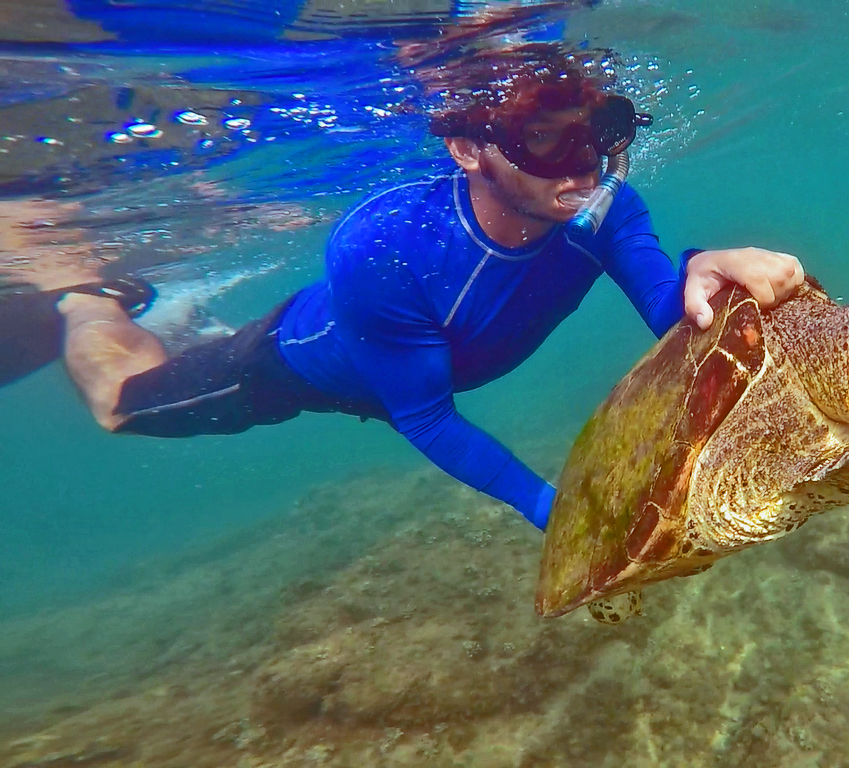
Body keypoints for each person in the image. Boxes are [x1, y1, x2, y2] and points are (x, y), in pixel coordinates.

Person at [44, 48, 805, 530]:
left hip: (386, 351)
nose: (581, 165)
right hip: (288, 363)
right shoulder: (381, 246)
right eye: (544, 139)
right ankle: (86, 297)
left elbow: (678, 324)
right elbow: (429, 417)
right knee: (121, 403)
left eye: (597, 134)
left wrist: (707, 268)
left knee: (178, 354)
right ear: (470, 147)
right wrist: (554, 510)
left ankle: (175, 321)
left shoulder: (607, 212)